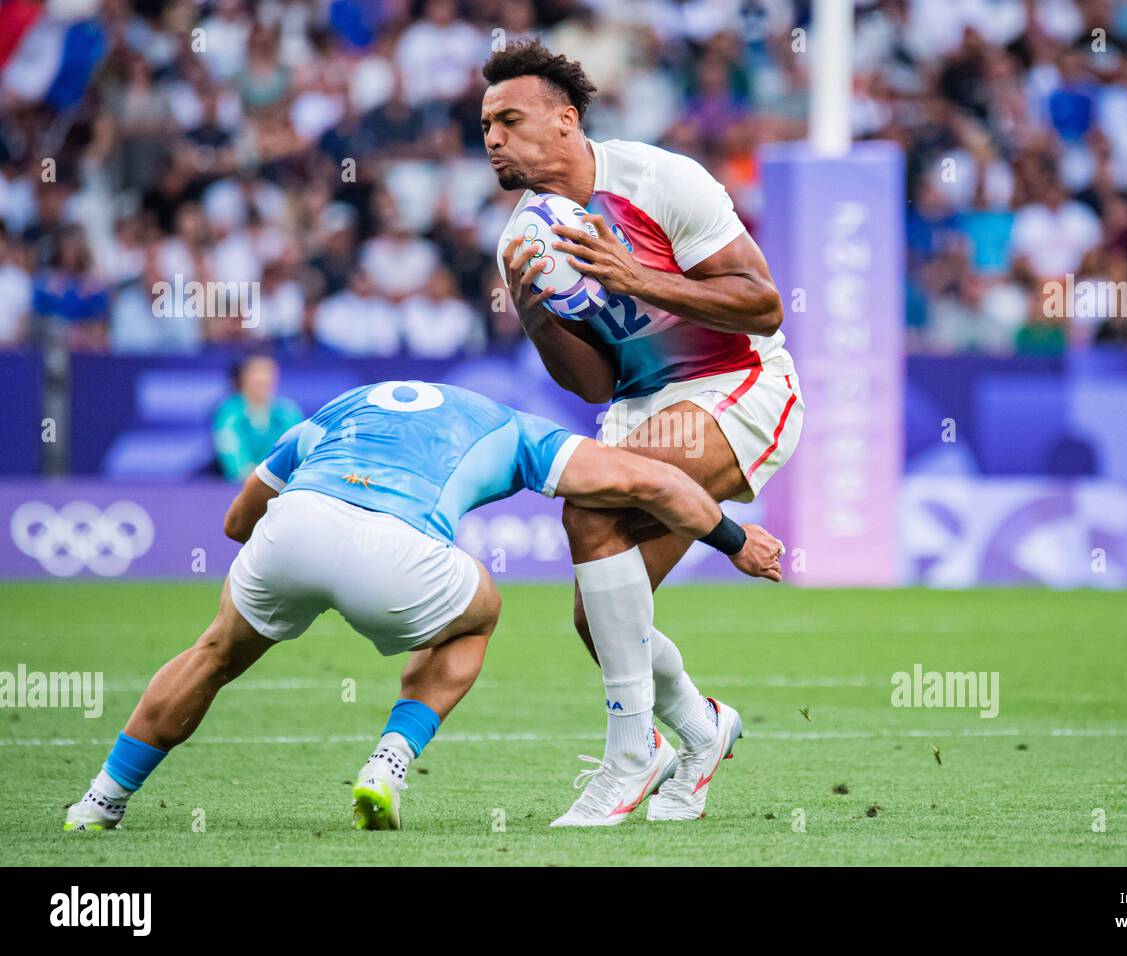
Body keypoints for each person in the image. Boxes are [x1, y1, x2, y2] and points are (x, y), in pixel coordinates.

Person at [64, 380, 783, 833]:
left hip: (294, 526)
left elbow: (235, 522)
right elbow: (650, 485)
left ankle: (99, 801)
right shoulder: (513, 427)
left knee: (213, 654)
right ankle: (387, 762)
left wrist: (300, 565)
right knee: (481, 609)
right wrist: (732, 539)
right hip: (397, 555)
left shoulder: (338, 411)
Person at [484, 40, 803, 824]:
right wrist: (533, 316)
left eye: (508, 119)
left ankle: (628, 756)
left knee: (588, 505)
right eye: (485, 124)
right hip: (638, 405)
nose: (491, 137)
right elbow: (594, 381)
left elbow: (763, 303)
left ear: (565, 122)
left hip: (738, 386)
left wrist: (636, 278)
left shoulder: (661, 179)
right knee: (599, 621)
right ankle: (700, 732)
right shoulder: (521, 241)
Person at [212, 355, 303, 480]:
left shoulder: (288, 411)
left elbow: (297, 456)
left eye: (268, 371)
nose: (263, 379)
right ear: (242, 376)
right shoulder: (228, 411)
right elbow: (234, 465)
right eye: (256, 372)